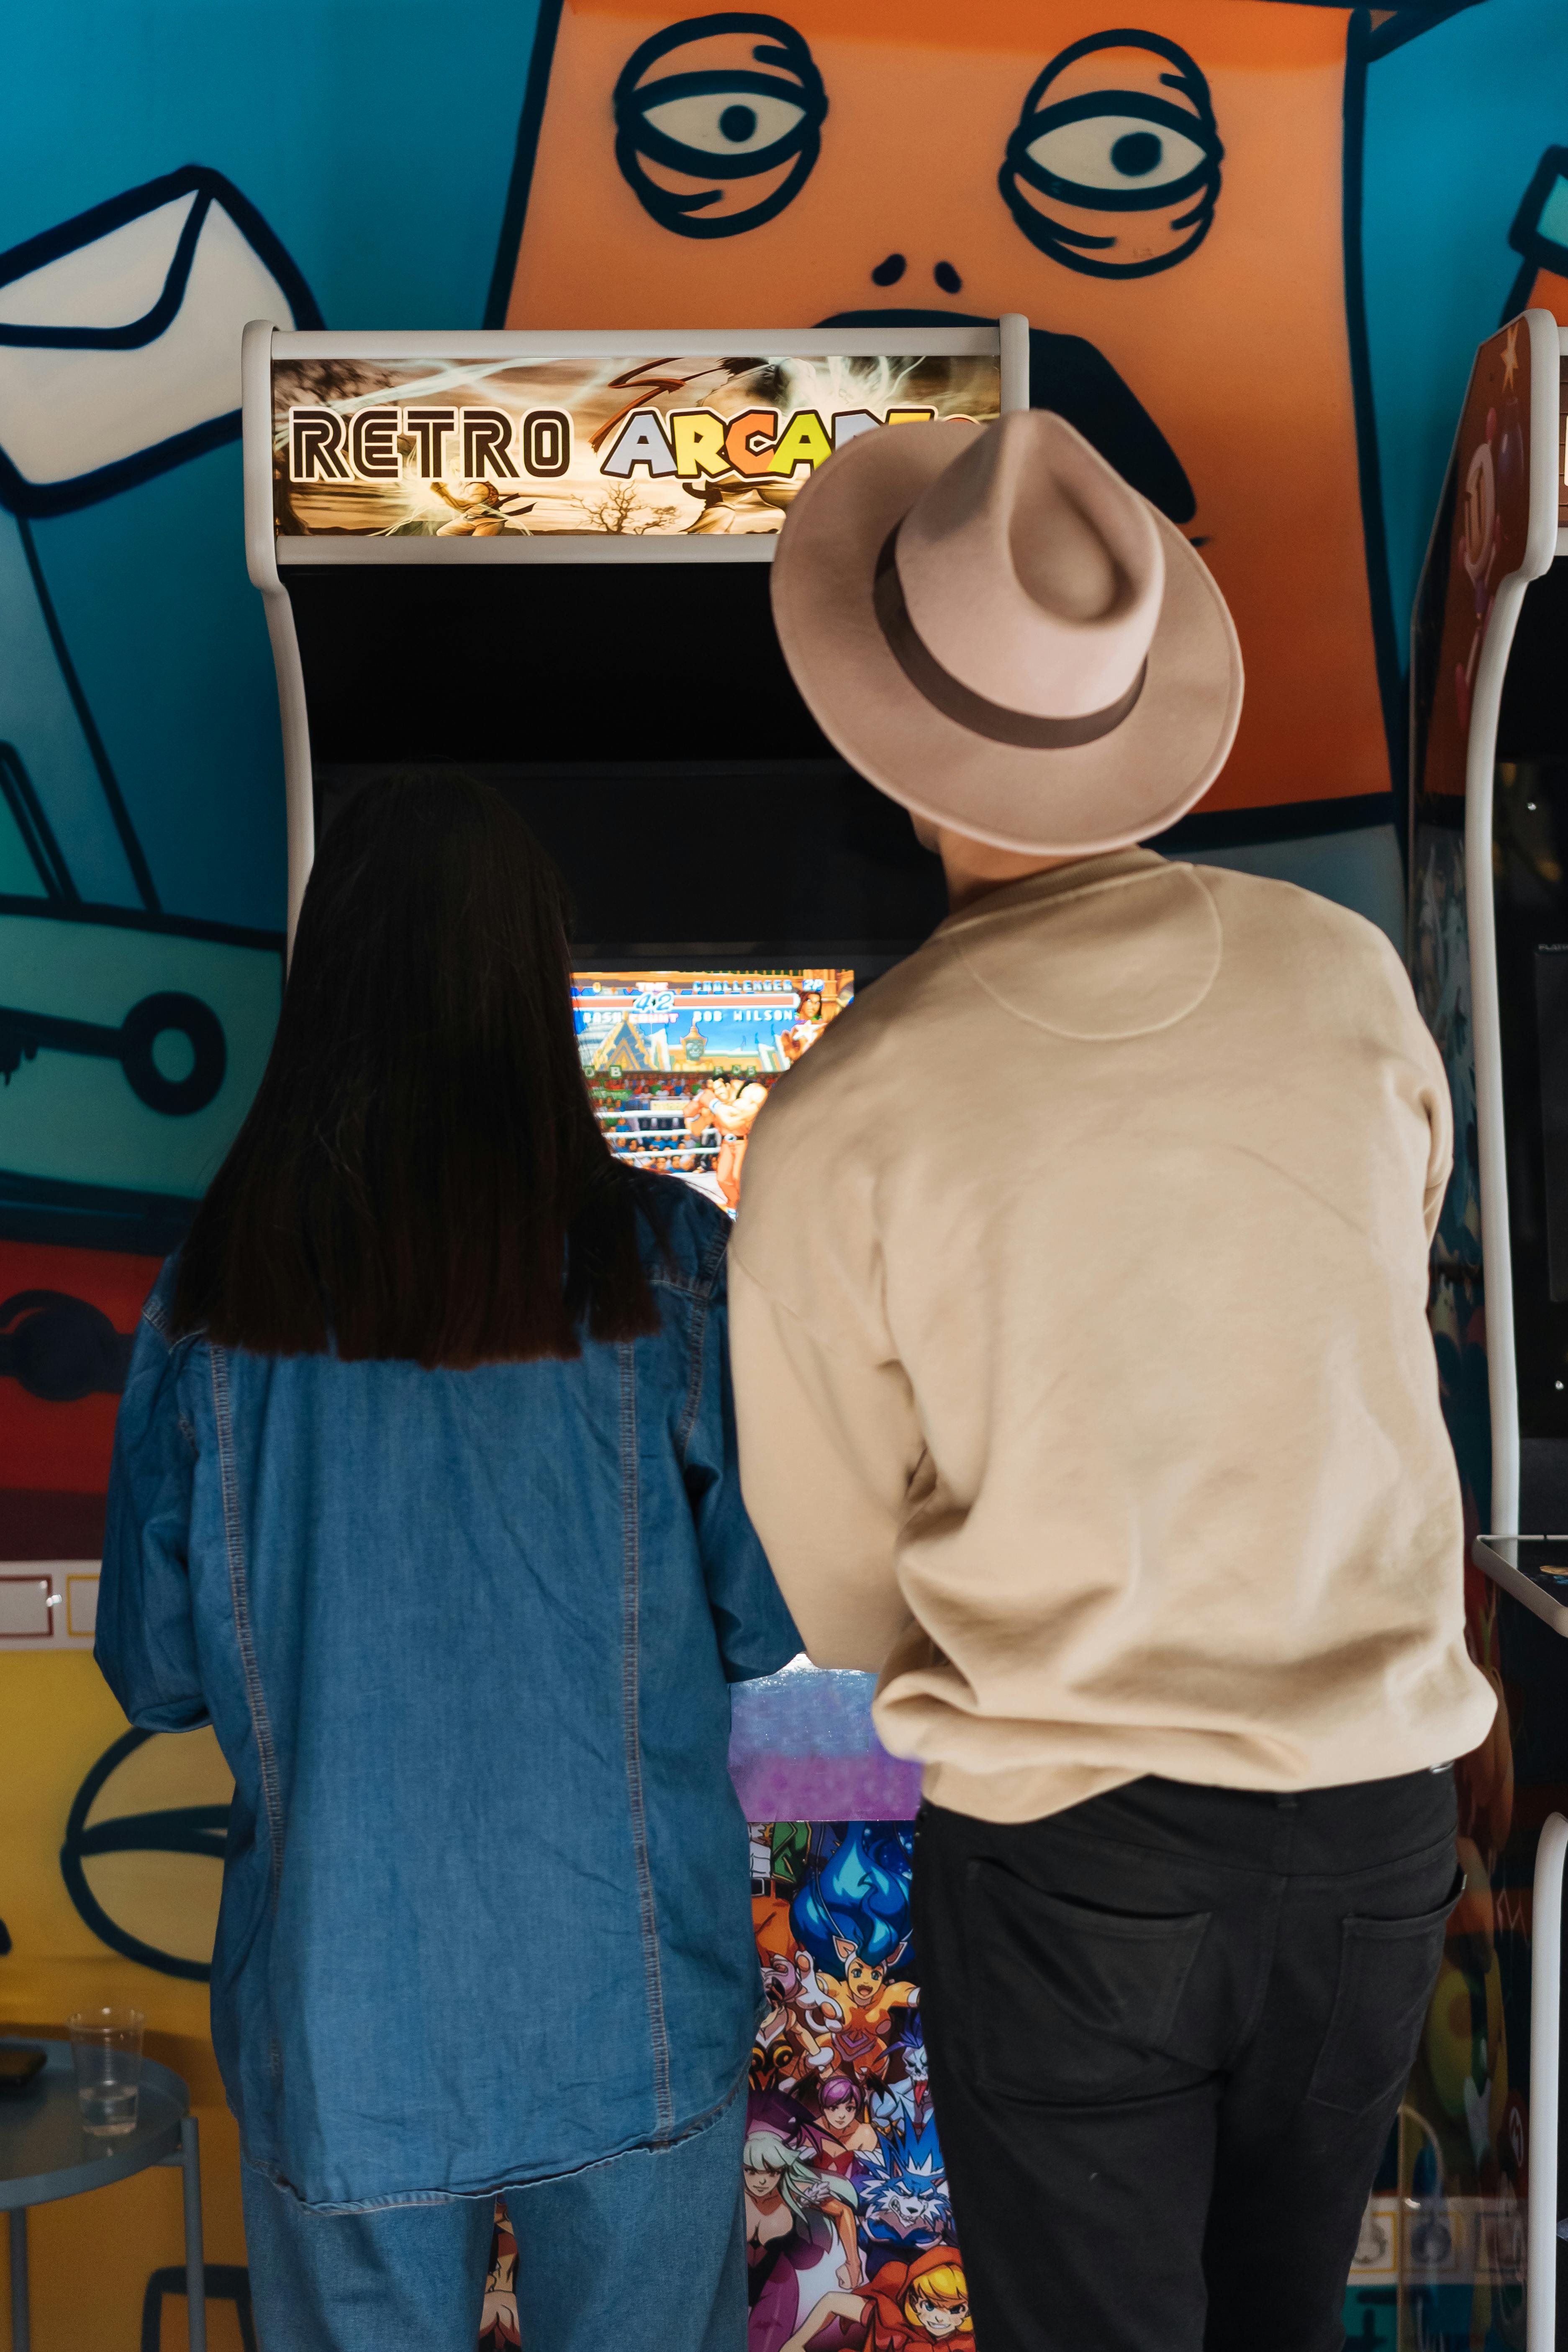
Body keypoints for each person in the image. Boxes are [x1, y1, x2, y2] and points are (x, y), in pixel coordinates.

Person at [727, 411, 1497, 2351]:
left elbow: (841, 1593)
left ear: (882, 746)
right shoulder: (1343, 977)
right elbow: (1367, 1307)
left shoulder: (850, 1105)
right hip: (1373, 1826)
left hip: (1081, 1855)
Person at [95, 772, 798, 2352]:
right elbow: (762, 1621)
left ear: (323, 988)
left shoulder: (211, 1299)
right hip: (628, 1994)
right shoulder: (671, 1268)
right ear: (536, 988)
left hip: (338, 2017)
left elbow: (155, 1673)